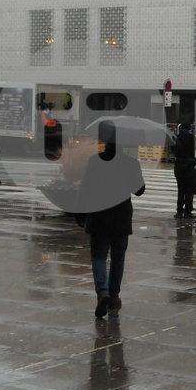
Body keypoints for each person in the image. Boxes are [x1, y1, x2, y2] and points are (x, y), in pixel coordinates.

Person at [76, 122, 146, 318]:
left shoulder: (94, 161)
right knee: (118, 257)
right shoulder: (130, 163)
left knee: (98, 257)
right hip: (121, 216)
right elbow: (139, 190)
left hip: (98, 215)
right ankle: (114, 297)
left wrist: (80, 213)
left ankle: (102, 292)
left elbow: (85, 188)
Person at [172, 123, 196, 219]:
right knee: (189, 190)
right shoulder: (192, 138)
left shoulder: (176, 138)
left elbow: (173, 150)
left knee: (181, 190)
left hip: (179, 166)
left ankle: (179, 211)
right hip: (189, 166)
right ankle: (188, 211)